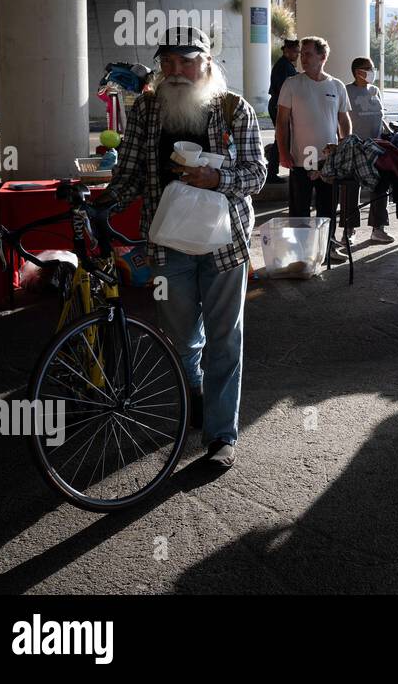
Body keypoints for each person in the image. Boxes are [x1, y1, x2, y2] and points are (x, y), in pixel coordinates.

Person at [104, 27, 266, 468]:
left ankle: (220, 436)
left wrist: (218, 179)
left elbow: (257, 174)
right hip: (167, 244)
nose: (176, 71)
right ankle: (194, 391)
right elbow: (131, 171)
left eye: (186, 61)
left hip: (225, 245)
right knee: (178, 340)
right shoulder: (147, 111)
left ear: (207, 63)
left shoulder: (234, 110)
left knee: (224, 340)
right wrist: (103, 204)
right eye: (168, 62)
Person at [275, 36, 352, 260]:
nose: (303, 58)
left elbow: (344, 120)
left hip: (329, 158)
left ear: (323, 57)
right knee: (299, 208)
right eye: (301, 54)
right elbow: (281, 121)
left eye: (308, 54)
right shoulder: (292, 83)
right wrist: (282, 152)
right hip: (301, 157)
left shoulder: (336, 85)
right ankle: (299, 252)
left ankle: (327, 247)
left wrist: (344, 148)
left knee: (328, 206)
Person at [341, 56, 393, 244]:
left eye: (373, 68)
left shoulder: (375, 90)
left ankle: (378, 229)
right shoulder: (346, 91)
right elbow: (339, 118)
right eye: (369, 69)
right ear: (357, 72)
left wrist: (388, 132)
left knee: (380, 187)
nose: (372, 72)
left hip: (377, 147)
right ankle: (349, 230)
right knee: (351, 189)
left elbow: (380, 116)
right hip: (355, 147)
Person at [264, 38, 299, 183]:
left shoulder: (285, 65)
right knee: (281, 137)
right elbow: (284, 88)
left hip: (278, 103)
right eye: (295, 52)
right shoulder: (284, 66)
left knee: (281, 138)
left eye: (298, 52)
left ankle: (272, 170)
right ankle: (272, 171)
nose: (297, 55)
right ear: (287, 50)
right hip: (278, 104)